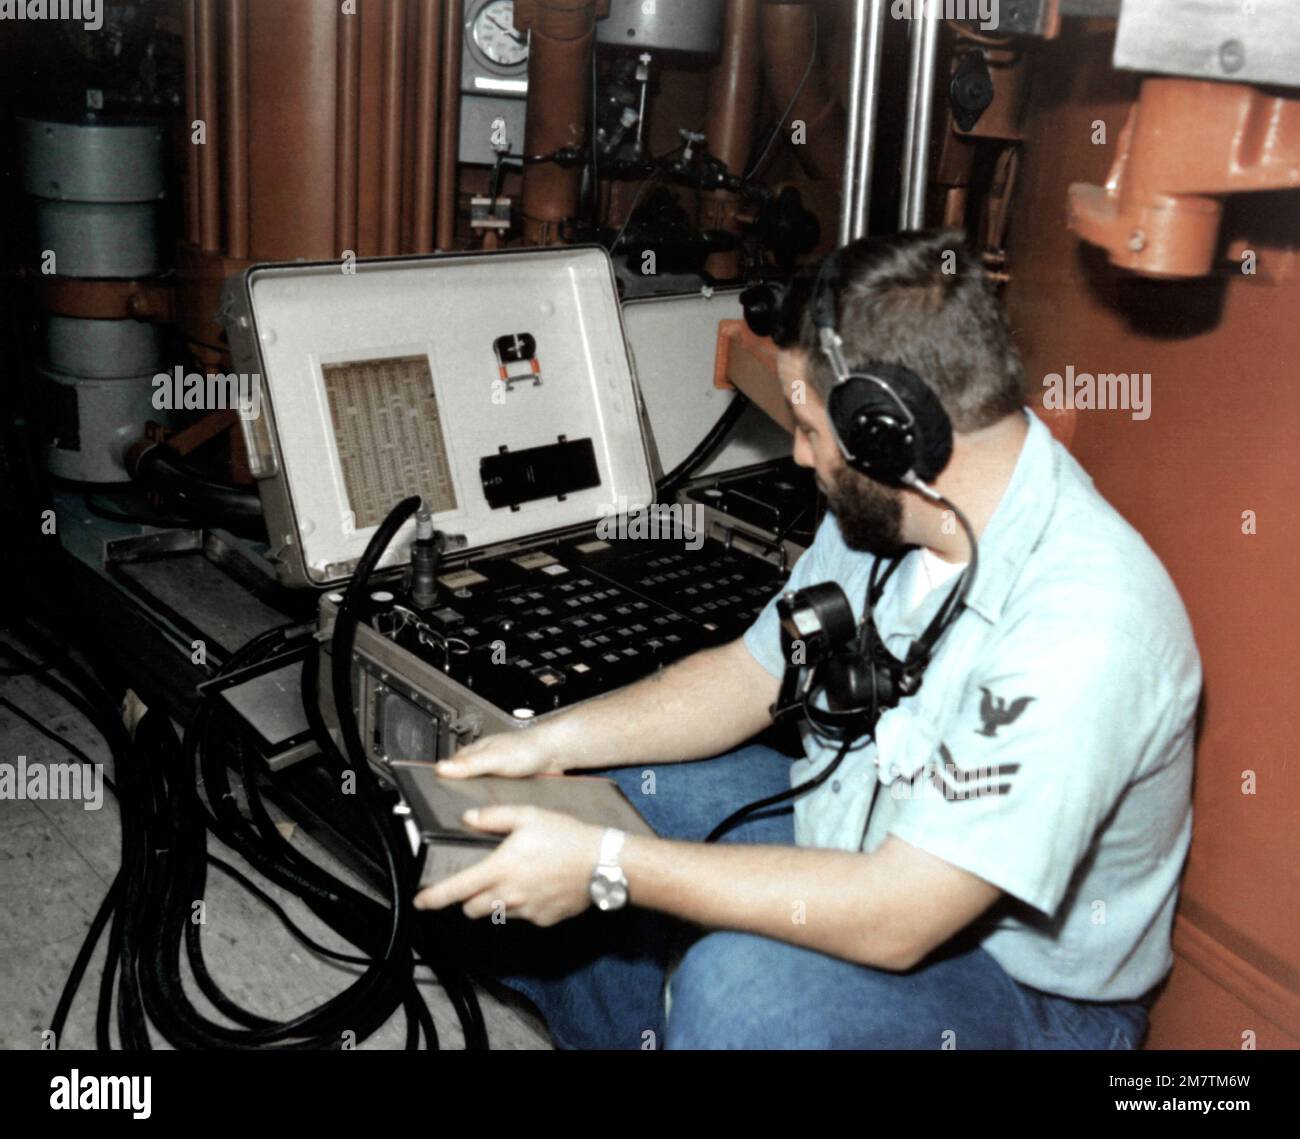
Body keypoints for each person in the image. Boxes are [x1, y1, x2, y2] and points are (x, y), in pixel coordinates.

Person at [413, 230, 1202, 1050]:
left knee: (741, 986)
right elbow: (747, 675)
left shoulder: (1090, 628)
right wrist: (545, 743)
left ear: (890, 429)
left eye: (808, 426)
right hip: (858, 832)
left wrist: (608, 864)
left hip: (1022, 992)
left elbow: (899, 914)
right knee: (597, 794)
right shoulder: (893, 503)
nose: (795, 453)